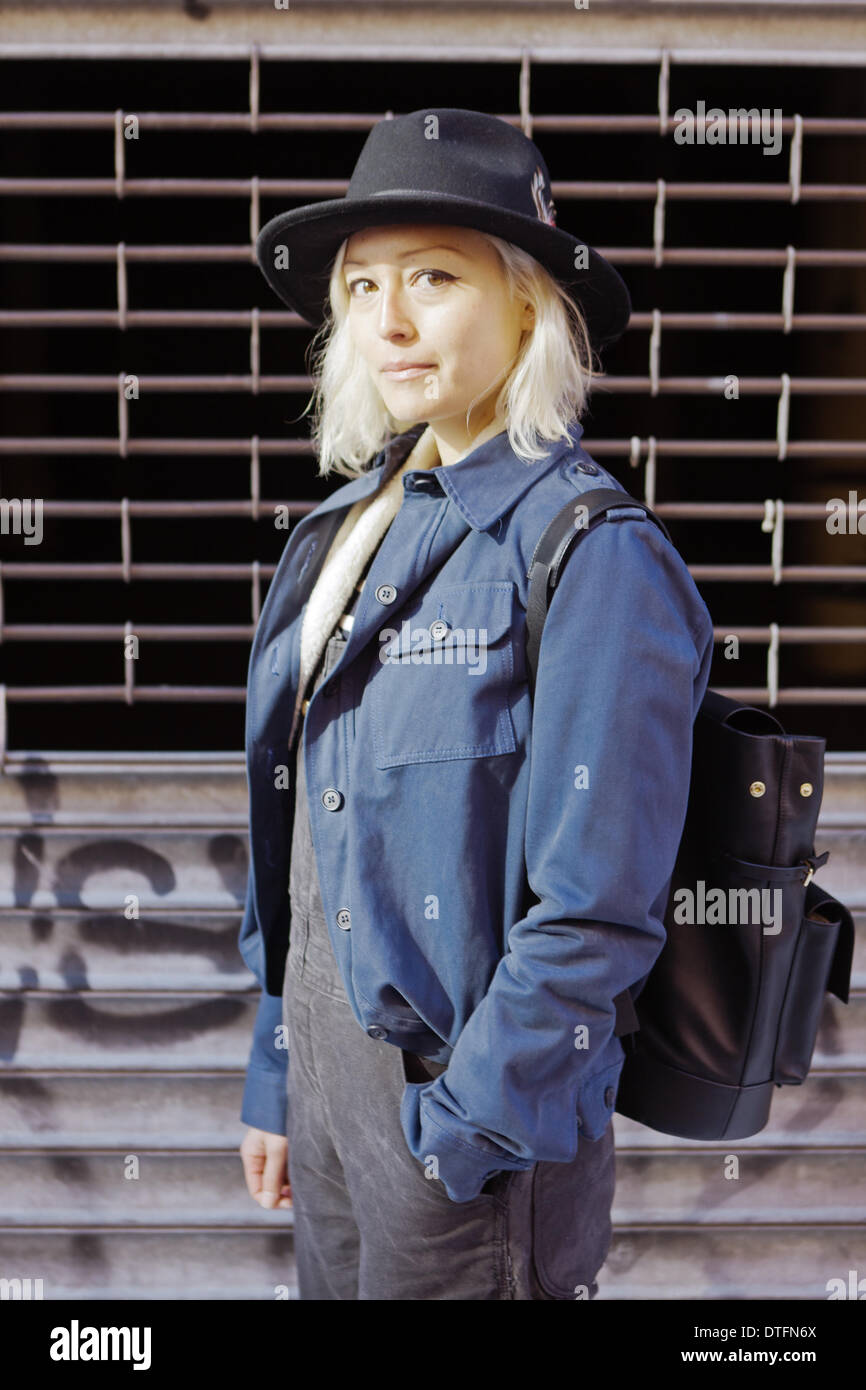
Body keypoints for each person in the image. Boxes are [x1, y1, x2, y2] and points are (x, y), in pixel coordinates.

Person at [237, 108, 715, 1300]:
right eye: (359, 288)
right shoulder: (349, 536)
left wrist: (460, 1134)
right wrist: (280, 1076)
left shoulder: (590, 554)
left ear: (525, 303)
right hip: (336, 1102)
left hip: (462, 1127)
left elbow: (598, 908)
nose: (386, 321)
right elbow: (309, 851)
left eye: (433, 278)